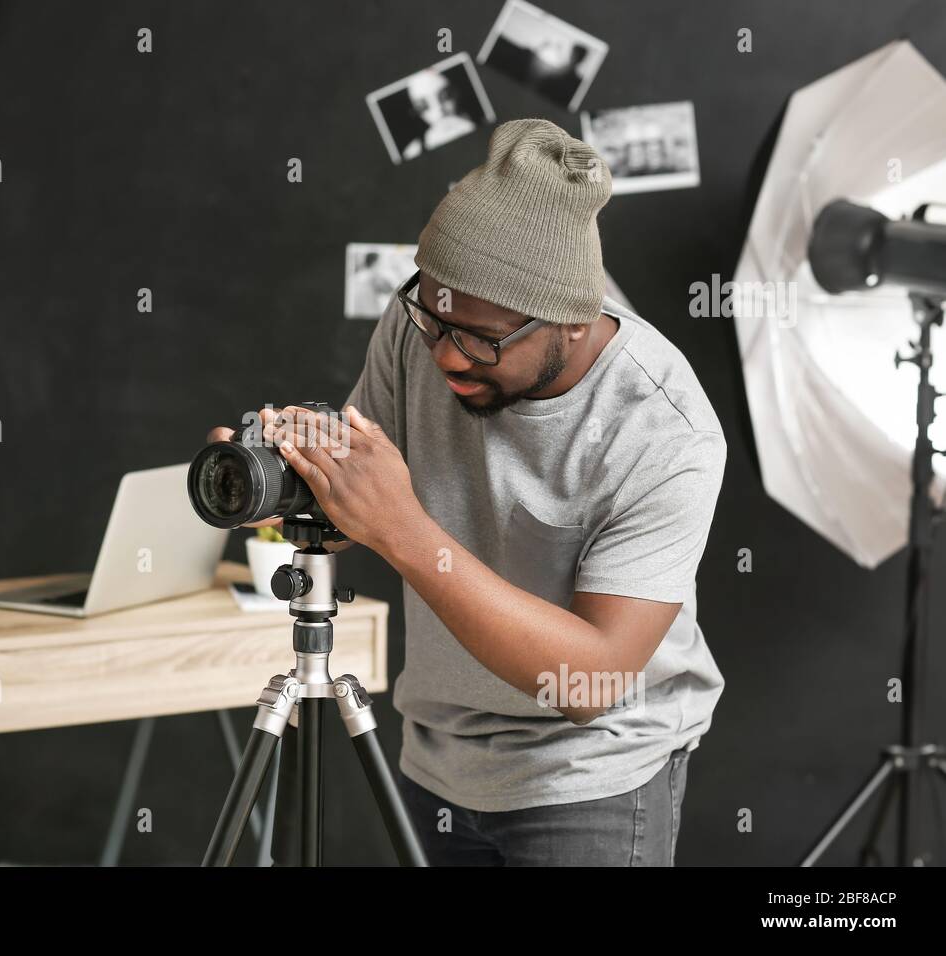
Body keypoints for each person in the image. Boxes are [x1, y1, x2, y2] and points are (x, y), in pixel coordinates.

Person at [209, 119, 726, 866]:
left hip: (588, 778)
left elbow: (592, 680)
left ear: (572, 324)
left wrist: (404, 531)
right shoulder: (421, 323)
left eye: (481, 340)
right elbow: (363, 505)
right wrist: (284, 480)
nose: (446, 356)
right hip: (439, 755)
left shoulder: (664, 429)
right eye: (433, 319)